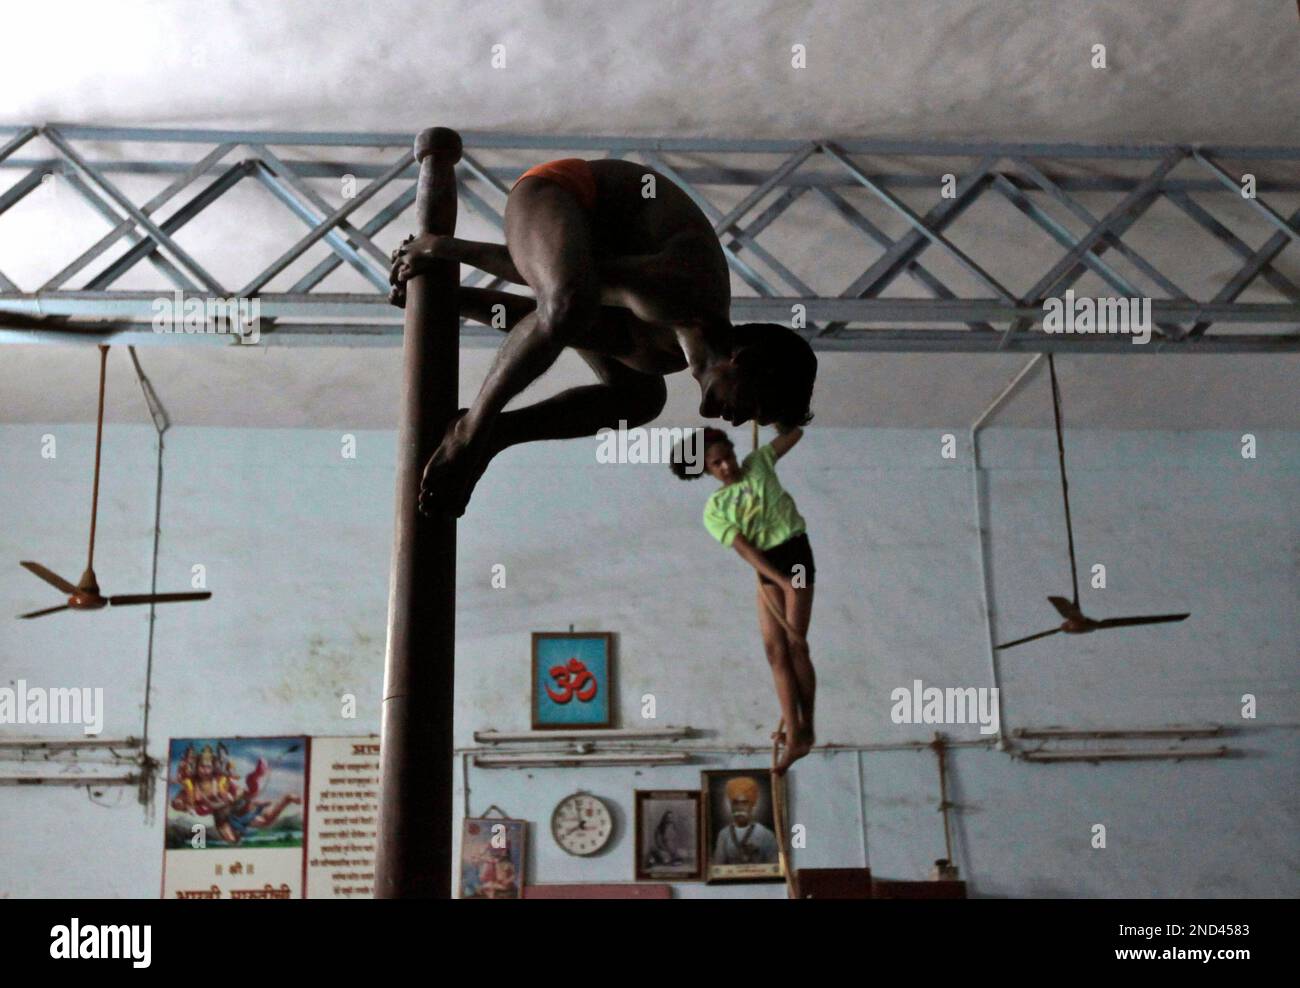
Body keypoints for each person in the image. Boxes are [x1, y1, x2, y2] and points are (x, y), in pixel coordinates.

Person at [388, 156, 817, 517]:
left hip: (577, 269)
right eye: (753, 407)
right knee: (571, 300)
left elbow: (545, 321)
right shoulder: (687, 291)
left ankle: (495, 434)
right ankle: (471, 432)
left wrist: (451, 300)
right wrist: (441, 248)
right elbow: (556, 291)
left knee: (642, 399)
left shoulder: (661, 355)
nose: (739, 422)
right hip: (562, 192)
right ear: (743, 362)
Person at [672, 425, 816, 774]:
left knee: (797, 644)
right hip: (767, 565)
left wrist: (771, 415)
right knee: (774, 650)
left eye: (729, 457)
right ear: (706, 469)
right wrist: (778, 580)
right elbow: (745, 550)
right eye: (717, 463)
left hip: (794, 553)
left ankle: (807, 726)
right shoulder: (715, 508)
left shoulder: (760, 462)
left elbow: (795, 432)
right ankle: (794, 734)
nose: (727, 466)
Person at [713, 776, 778, 865]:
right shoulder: (724, 835)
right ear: (731, 806)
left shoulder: (766, 835)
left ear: (753, 805)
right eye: (735, 803)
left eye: (744, 803)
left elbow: (775, 869)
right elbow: (718, 869)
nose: (740, 808)